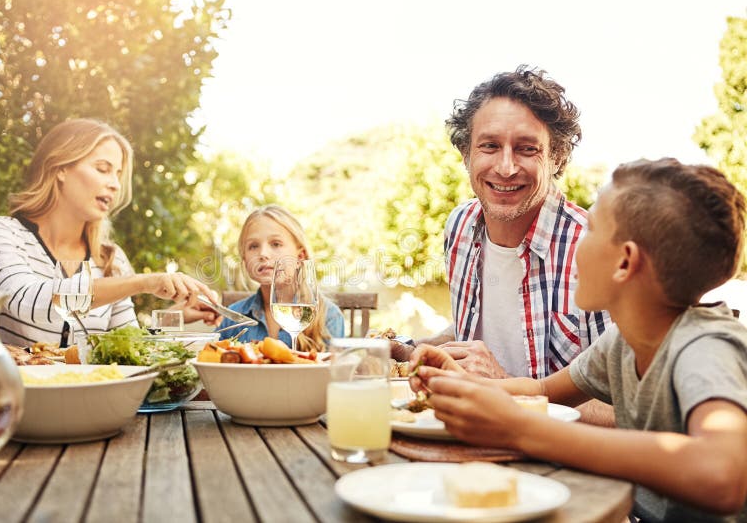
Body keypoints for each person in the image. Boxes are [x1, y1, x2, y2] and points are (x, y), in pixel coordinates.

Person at [412, 158, 747, 521]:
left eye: (589, 230)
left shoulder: (704, 348)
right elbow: (540, 392)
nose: (575, 245)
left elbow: (723, 477)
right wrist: (458, 383)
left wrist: (523, 429)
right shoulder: (622, 342)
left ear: (624, 262)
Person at [397, 65, 610, 382]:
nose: (506, 167)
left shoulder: (597, 250)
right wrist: (407, 349)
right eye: (490, 146)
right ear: (466, 154)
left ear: (557, 158)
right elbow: (483, 332)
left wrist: (505, 386)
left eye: (527, 149)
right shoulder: (460, 228)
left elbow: (630, 408)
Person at [0, 118, 220, 348]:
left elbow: (128, 345)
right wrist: (144, 282)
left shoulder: (110, 259)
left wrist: (174, 317)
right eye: (102, 168)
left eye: (118, 174)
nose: (115, 184)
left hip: (87, 398)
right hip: (10, 396)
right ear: (61, 169)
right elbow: (29, 301)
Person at [215, 205, 344, 352]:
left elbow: (333, 372)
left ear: (300, 257)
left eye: (276, 244)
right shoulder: (233, 317)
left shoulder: (328, 316)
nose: (263, 253)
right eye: (253, 246)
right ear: (244, 260)